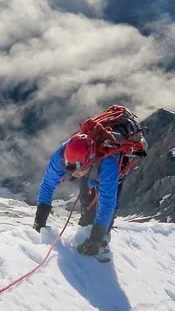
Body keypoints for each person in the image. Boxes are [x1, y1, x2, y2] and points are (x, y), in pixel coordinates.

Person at [32, 107, 146, 258]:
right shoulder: (62, 154)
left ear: (90, 161)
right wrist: (39, 221)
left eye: (77, 170)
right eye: (69, 168)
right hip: (90, 166)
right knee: (86, 196)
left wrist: (96, 238)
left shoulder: (109, 163)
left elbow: (107, 203)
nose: (73, 173)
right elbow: (47, 185)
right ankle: (86, 227)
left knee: (109, 204)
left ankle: (103, 239)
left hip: (112, 165)